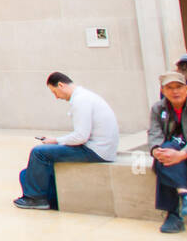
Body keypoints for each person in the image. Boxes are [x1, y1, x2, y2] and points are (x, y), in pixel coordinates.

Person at [14, 71, 118, 210]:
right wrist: (57, 141)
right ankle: (47, 197)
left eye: (54, 92)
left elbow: (81, 137)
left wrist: (56, 141)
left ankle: (36, 199)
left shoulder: (80, 100)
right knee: (28, 172)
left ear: (61, 85)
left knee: (38, 152)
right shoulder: (85, 96)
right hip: (101, 148)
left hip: (95, 151)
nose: (56, 97)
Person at [148, 71, 187, 233]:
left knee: (167, 159)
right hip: (171, 154)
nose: (175, 91)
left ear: (186, 88)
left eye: (179, 87)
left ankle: (173, 214)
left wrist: (183, 154)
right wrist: (156, 150)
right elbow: (154, 132)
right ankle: (184, 197)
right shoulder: (158, 108)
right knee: (165, 151)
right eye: (169, 88)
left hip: (186, 154)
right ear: (163, 90)